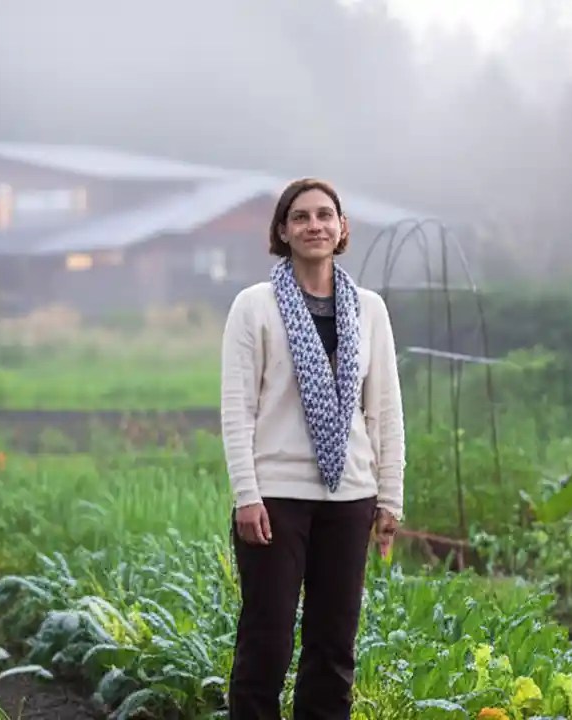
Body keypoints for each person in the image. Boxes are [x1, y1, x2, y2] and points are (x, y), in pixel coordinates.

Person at [219, 177, 405, 719]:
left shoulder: (369, 310)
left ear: (342, 228)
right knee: (266, 640)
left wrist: (388, 496)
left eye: (326, 215)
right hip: (274, 499)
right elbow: (238, 411)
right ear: (283, 230)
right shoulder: (253, 307)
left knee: (333, 648)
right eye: (301, 217)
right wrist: (246, 495)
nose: (315, 225)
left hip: (350, 498)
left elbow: (386, 410)